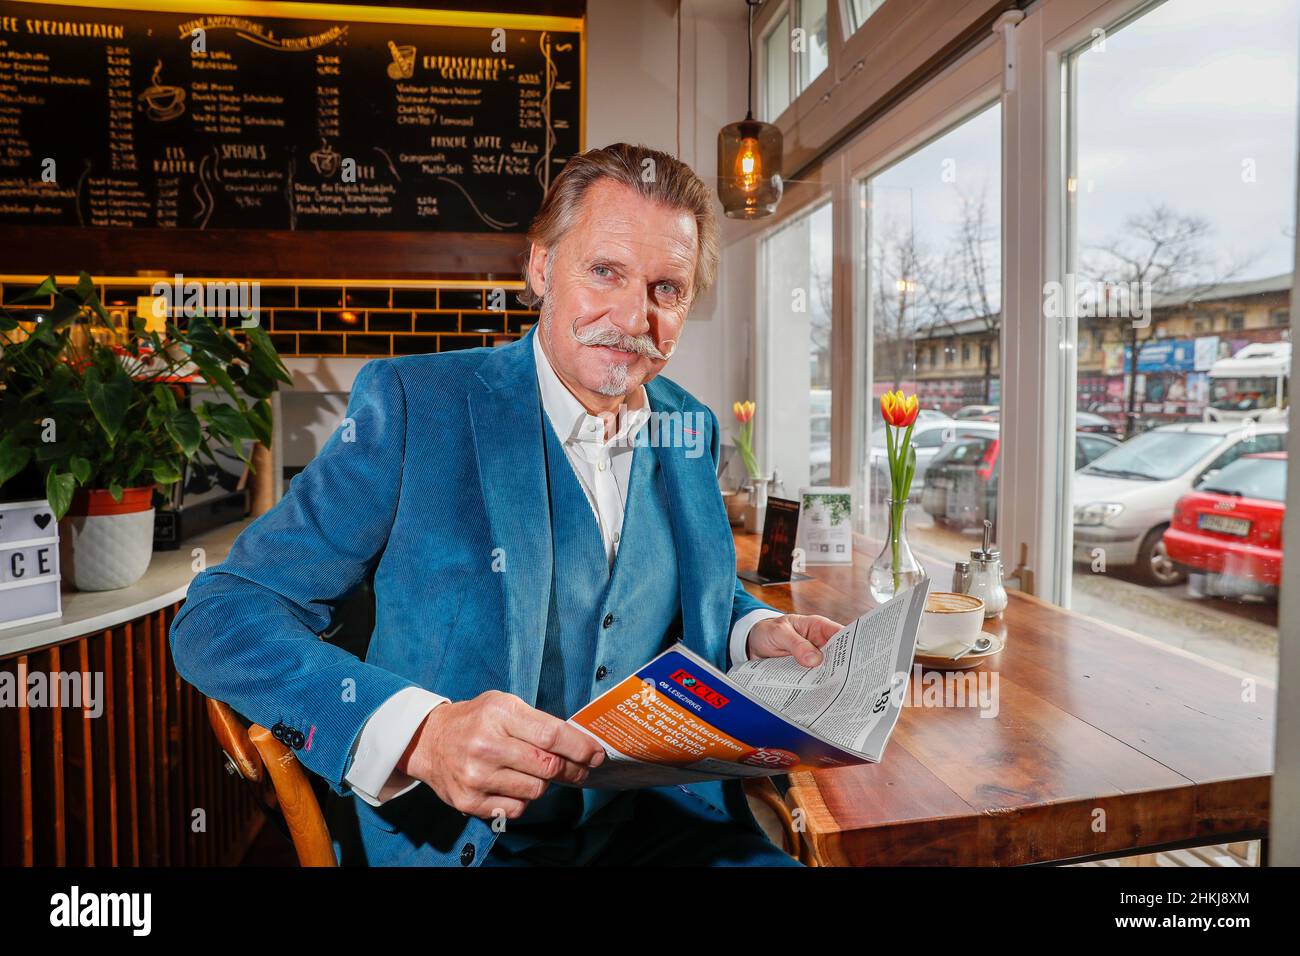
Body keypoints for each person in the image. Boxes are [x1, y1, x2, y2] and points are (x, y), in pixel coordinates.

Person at [169, 143, 842, 866]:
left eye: (666, 289)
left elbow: (681, 587)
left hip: (661, 820)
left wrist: (755, 631)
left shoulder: (692, 426)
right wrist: (422, 733)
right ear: (541, 266)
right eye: (605, 271)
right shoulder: (412, 406)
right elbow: (220, 613)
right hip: (462, 840)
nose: (633, 316)